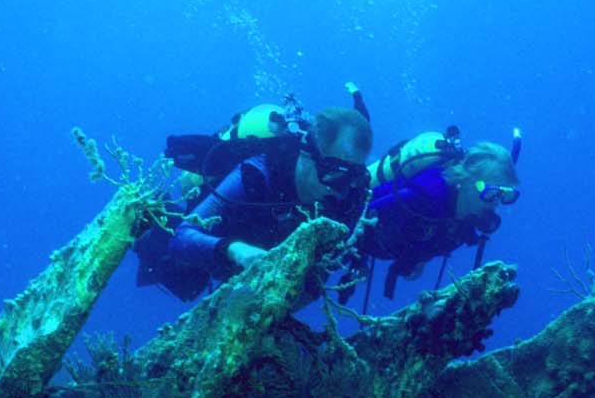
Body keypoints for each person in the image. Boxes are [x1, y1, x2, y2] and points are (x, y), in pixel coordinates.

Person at [137, 101, 374, 300]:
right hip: (220, 239)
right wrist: (234, 250)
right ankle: (145, 216)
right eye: (333, 172)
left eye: (351, 177)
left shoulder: (343, 196)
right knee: (182, 281)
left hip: (255, 256)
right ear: (306, 154)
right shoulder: (257, 171)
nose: (339, 191)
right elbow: (182, 237)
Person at [345, 126, 522, 302]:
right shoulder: (421, 196)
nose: (496, 202)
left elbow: (433, 236)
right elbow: (361, 211)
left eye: (505, 195)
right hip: (358, 241)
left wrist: (418, 259)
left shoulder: (468, 215)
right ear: (467, 180)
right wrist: (356, 256)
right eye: (490, 192)